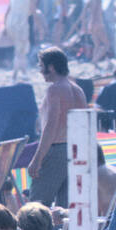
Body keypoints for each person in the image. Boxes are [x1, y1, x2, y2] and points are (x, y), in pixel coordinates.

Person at [28, 47, 88, 207]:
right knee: (68, 209)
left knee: (37, 205)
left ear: (51, 67)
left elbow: (51, 126)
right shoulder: (78, 90)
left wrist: (37, 159)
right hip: (78, 151)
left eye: (42, 66)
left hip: (57, 150)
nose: (40, 71)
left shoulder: (54, 89)